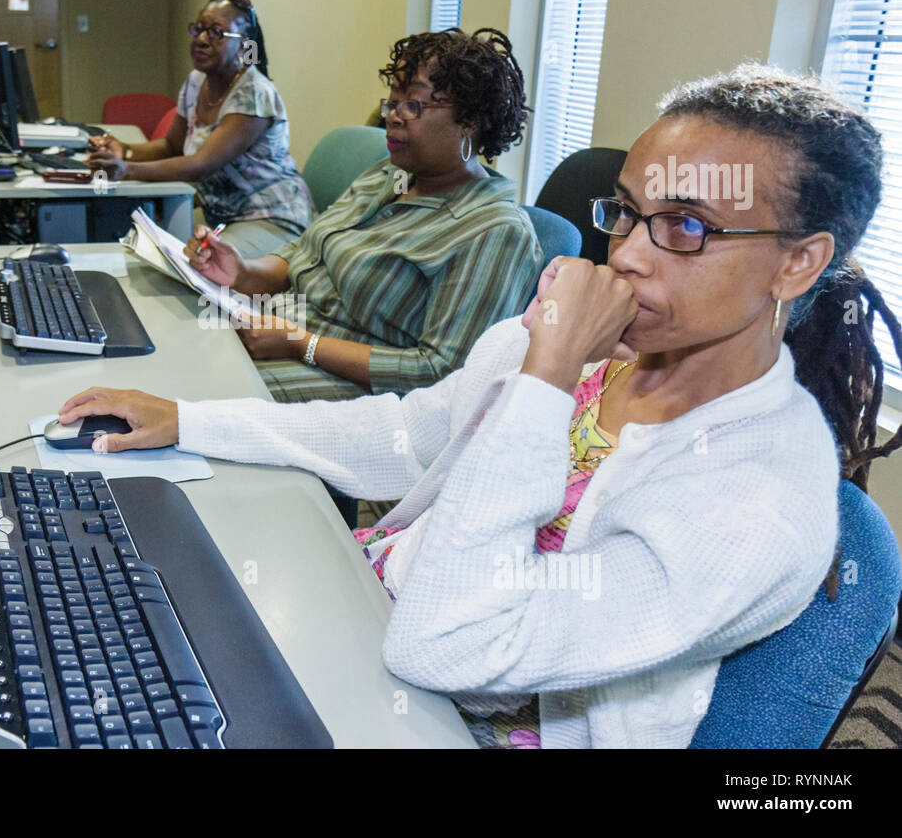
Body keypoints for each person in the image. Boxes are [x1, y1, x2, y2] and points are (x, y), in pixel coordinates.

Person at [54, 64, 902, 748]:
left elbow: (451, 646)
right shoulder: (592, 360)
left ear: (798, 264)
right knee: (98, 619)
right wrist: (195, 420)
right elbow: (403, 434)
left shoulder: (762, 504)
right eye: (629, 213)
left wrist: (546, 377)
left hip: (450, 711)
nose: (631, 256)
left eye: (687, 228)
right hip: (366, 619)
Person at [184, 28, 542, 402]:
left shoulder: (495, 232)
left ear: (470, 120)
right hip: (276, 330)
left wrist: (302, 344)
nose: (393, 117)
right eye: (393, 101)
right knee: (164, 348)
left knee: (190, 395)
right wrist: (242, 272)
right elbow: (304, 254)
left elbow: (443, 375)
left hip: (359, 392)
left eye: (413, 105)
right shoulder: (393, 174)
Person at [87, 0, 313, 259]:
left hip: (271, 219)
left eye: (217, 32)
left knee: (204, 266)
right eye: (199, 29)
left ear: (243, 45)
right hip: (220, 215)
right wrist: (124, 149)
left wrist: (127, 170)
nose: (202, 40)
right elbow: (172, 146)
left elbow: (201, 164)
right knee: (143, 246)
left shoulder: (254, 93)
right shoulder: (196, 81)